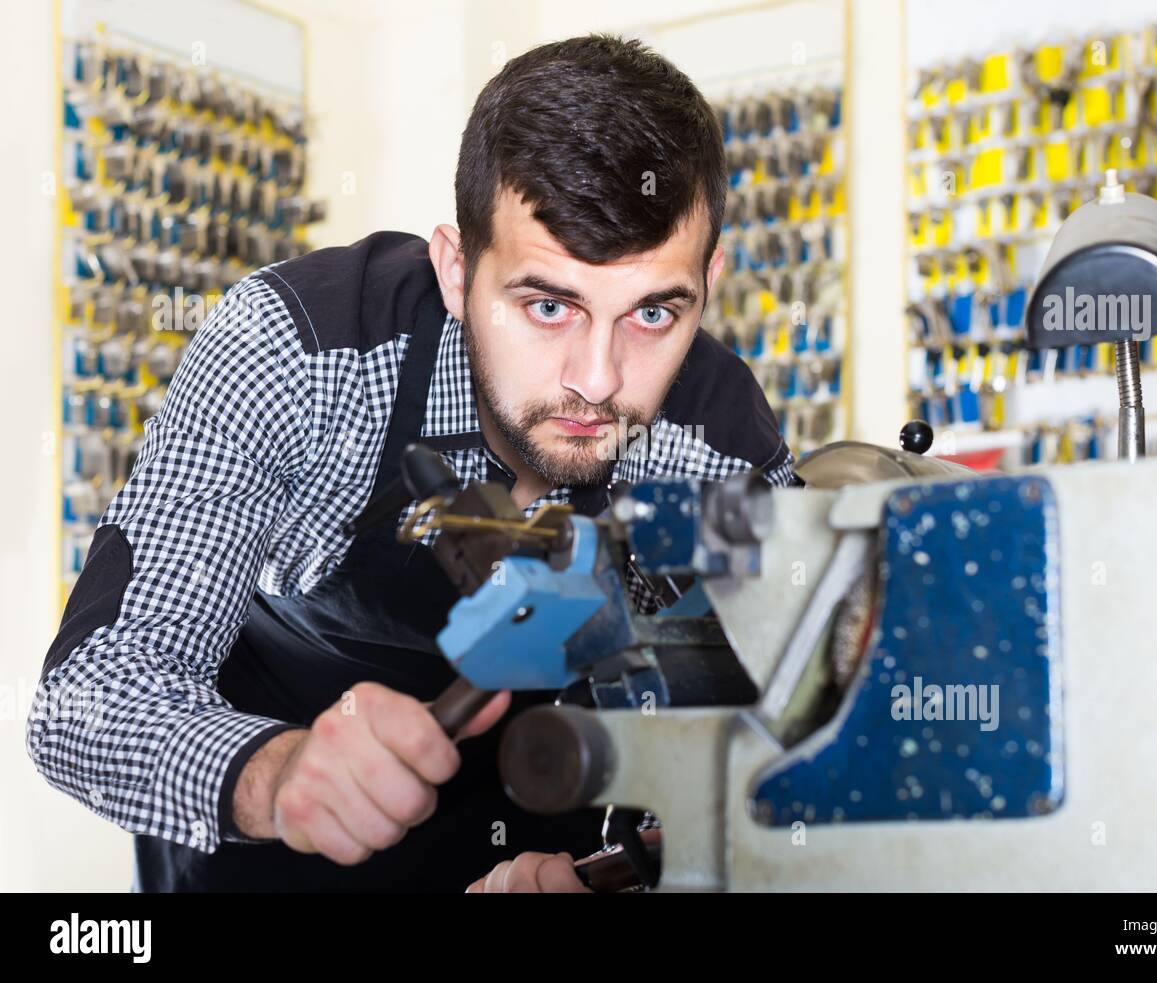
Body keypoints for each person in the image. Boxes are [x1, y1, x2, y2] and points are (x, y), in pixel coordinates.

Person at [28, 33, 797, 892]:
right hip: (275, 842)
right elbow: (88, 698)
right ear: (456, 268)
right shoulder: (295, 353)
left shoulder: (719, 440)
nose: (598, 379)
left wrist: (621, 871)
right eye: (548, 305)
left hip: (540, 835)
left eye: (654, 314)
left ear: (710, 278)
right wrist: (275, 775)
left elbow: (771, 745)